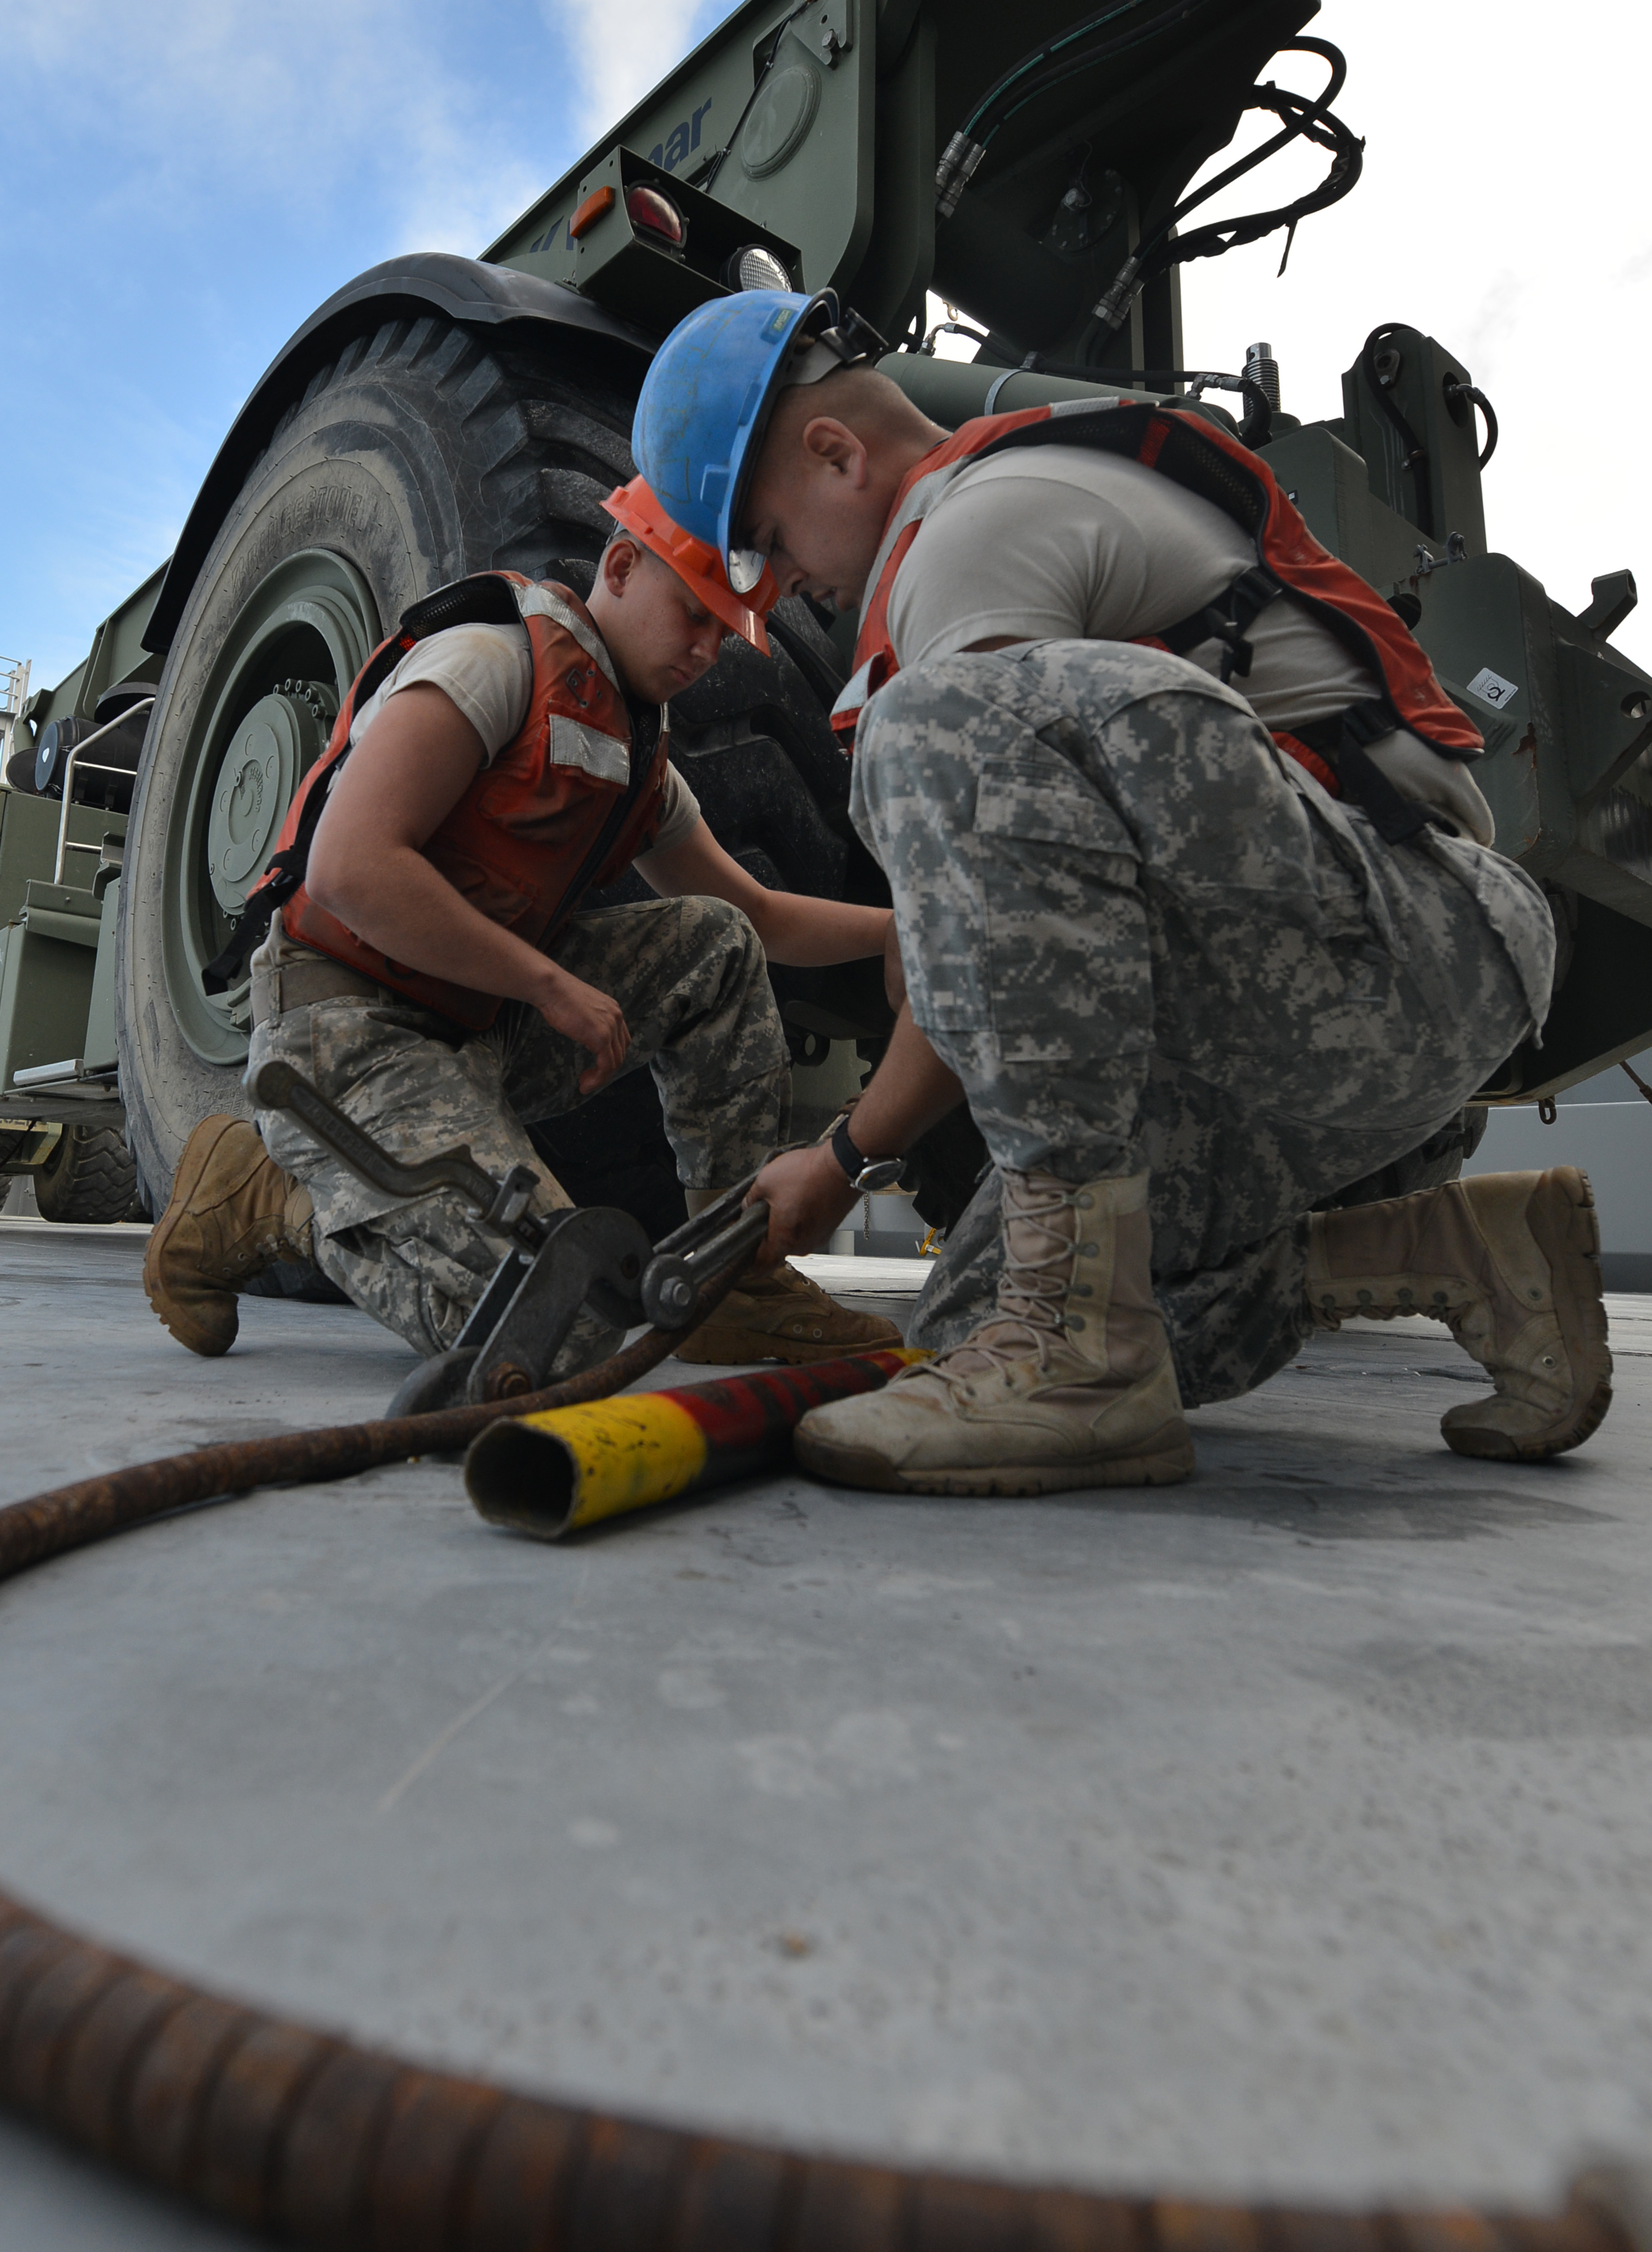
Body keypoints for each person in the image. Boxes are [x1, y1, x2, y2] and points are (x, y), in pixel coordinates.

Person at [624, 289, 1609, 1495]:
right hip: (1329, 998)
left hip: (1411, 941)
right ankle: (1473, 1255)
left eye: (767, 539)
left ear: (835, 452)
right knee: (968, 1326)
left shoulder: (966, 534)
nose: (775, 586)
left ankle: (1076, 1350)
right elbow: (1002, 937)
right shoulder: (987, 531)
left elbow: (982, 862)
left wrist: (838, 1157)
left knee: (925, 727)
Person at [143, 477, 901, 1371]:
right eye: (692, 615)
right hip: (343, 1031)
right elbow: (350, 868)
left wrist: (899, 927)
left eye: (722, 634)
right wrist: (548, 984)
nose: (706, 652)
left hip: (475, 1029)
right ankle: (265, 1199)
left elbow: (760, 917)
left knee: (716, 945)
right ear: (621, 565)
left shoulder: (638, 757)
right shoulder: (490, 661)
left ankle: (727, 1277)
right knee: (560, 1326)